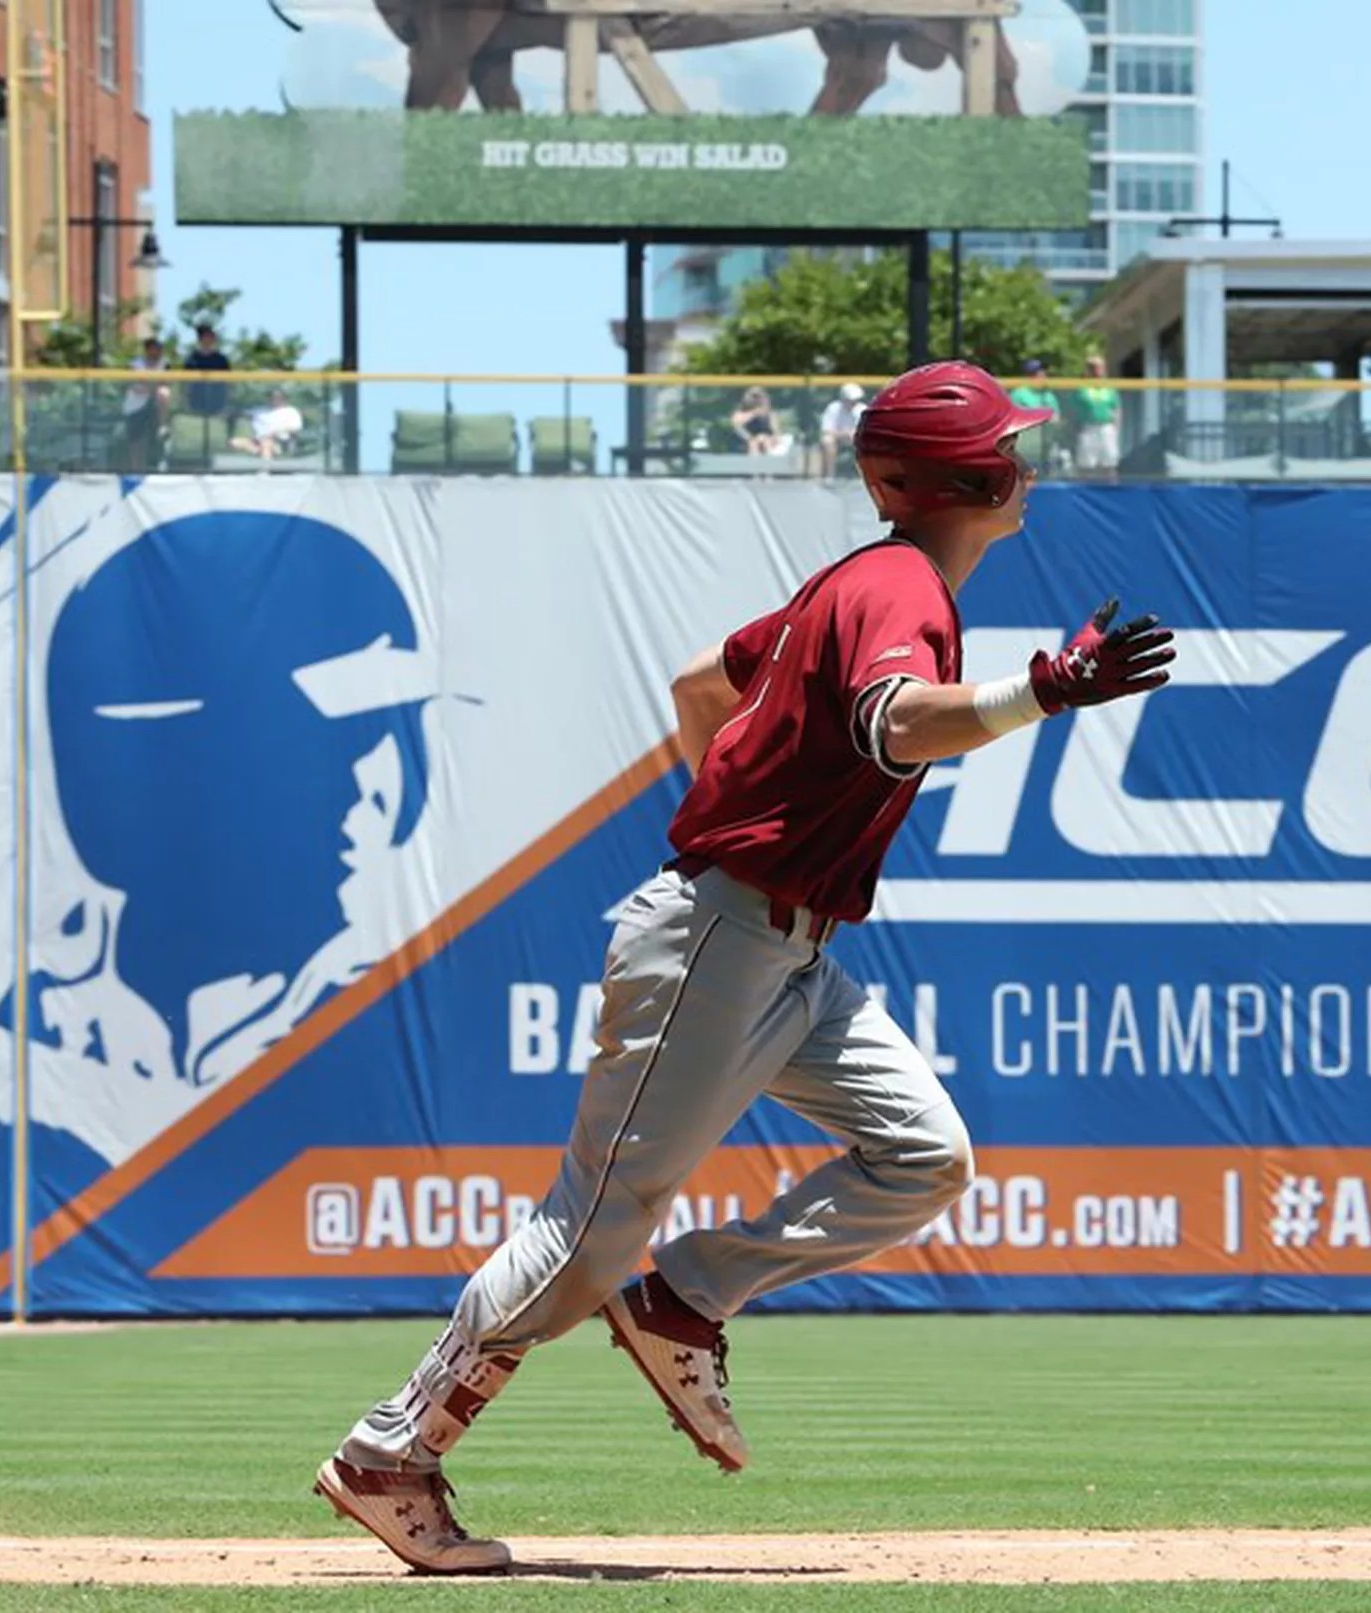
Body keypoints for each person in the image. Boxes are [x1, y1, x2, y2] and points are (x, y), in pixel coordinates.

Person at [313, 361, 1177, 1575]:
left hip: (788, 942)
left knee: (924, 1154)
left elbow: (703, 690)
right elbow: (890, 722)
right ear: (967, 476)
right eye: (1008, 445)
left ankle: (691, 1292)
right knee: (586, 1234)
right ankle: (389, 1453)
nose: (1024, 459)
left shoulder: (862, 580)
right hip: (727, 933)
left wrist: (747, 799)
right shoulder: (897, 584)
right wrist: (1040, 686)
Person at [119, 336, 170, 471]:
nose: (157, 352)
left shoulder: (163, 364)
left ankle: (162, 425)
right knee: (136, 442)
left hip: (155, 407)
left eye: (159, 349)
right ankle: (136, 470)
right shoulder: (136, 364)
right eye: (154, 348)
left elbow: (164, 384)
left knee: (153, 441)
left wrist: (148, 385)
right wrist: (150, 385)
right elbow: (135, 386)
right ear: (147, 350)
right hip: (135, 407)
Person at [1072, 354, 1121, 480]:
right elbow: (1074, 411)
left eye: (1100, 367)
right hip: (1088, 428)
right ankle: (1084, 495)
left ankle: (1110, 494)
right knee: (1086, 464)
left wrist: (1116, 429)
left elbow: (1116, 409)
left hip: (1106, 427)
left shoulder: (1109, 388)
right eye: (1093, 367)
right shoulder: (1082, 388)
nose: (1097, 370)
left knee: (1109, 463)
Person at [1009, 360, 1064, 471]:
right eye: (1039, 373)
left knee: (1046, 472)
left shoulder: (1048, 395)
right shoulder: (1019, 394)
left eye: (1043, 373)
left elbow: (1056, 416)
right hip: (1027, 443)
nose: (1043, 375)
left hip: (1047, 441)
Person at [232, 388, 305, 461]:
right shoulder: (259, 410)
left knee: (266, 444)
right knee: (234, 442)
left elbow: (296, 427)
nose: (274, 399)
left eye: (278, 397)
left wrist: (276, 432)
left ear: (284, 399)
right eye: (272, 397)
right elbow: (242, 413)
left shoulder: (291, 411)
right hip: (257, 441)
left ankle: (264, 470)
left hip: (280, 442)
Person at [183, 323, 233, 419]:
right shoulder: (191, 359)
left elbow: (228, 383)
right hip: (196, 401)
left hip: (217, 402)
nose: (208, 339)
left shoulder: (221, 359)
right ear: (200, 339)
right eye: (206, 336)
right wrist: (185, 402)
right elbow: (185, 385)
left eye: (211, 336)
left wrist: (228, 402)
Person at [816, 382, 866, 477]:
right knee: (827, 441)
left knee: (867, 442)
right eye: (850, 400)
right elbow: (826, 430)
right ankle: (830, 475)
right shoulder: (833, 408)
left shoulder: (862, 409)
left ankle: (864, 475)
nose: (853, 402)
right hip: (837, 438)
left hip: (856, 439)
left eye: (855, 400)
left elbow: (865, 430)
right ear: (843, 399)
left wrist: (855, 435)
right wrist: (844, 434)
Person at [732, 386, 783, 456]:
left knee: (765, 442)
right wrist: (754, 413)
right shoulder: (741, 412)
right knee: (753, 444)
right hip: (747, 442)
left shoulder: (770, 414)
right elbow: (736, 423)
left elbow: (776, 433)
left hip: (767, 442)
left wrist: (770, 439)